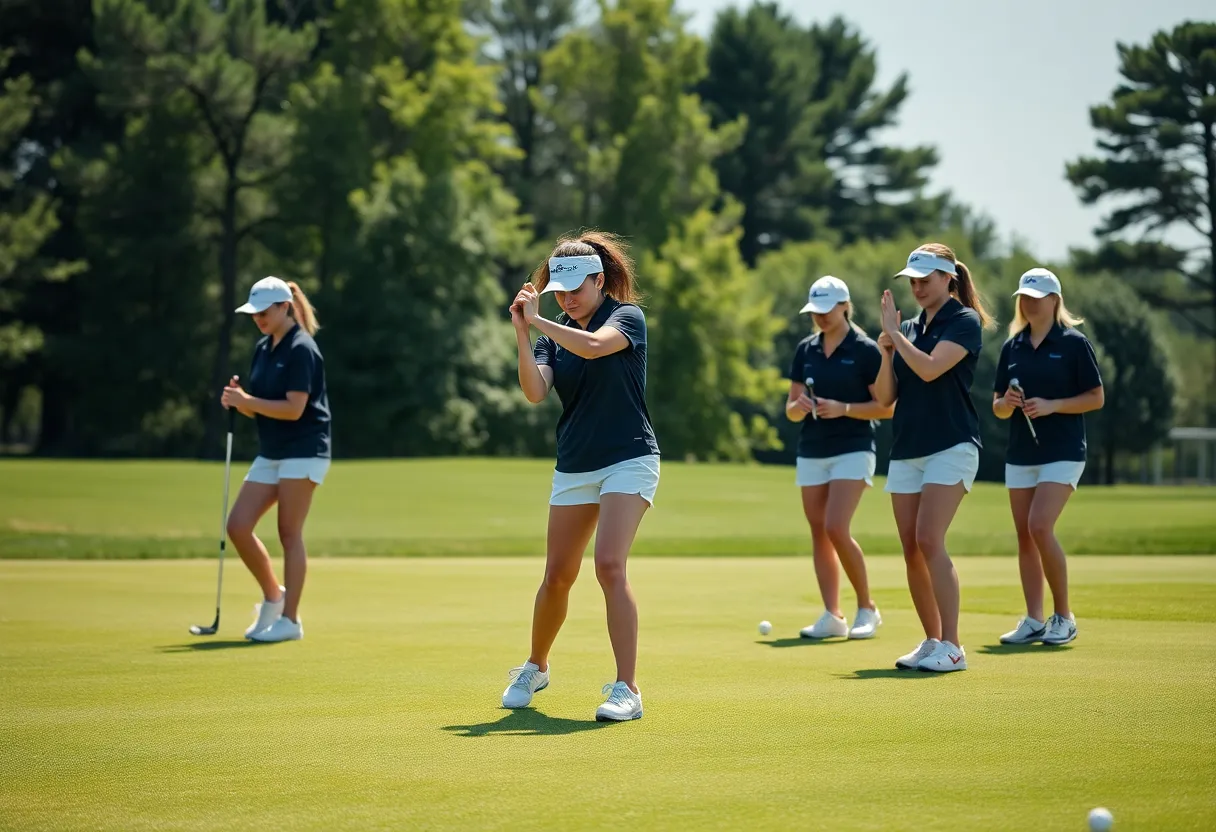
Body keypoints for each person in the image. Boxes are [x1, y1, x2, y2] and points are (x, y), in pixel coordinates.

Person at [501, 231, 660, 722]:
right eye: (560, 292)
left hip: (629, 457)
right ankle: (536, 665)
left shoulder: (624, 317)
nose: (569, 298)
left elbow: (594, 348)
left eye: (576, 288)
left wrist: (541, 320)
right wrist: (523, 334)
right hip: (575, 462)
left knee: (609, 566)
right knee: (557, 575)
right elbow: (534, 391)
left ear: (598, 280)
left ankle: (627, 690)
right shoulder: (555, 335)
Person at [875, 244, 994, 672]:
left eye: (926, 280)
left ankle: (954, 646)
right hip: (907, 447)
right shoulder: (906, 327)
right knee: (911, 548)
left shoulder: (963, 321)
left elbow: (929, 369)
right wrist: (886, 350)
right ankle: (932, 639)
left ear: (948, 279)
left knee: (929, 539)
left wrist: (898, 334)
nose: (918, 287)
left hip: (952, 444)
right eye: (913, 280)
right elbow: (885, 398)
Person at [993, 268, 1104, 646]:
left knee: (1040, 526)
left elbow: (1095, 397)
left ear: (1054, 300)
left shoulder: (1074, 343)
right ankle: (1034, 620)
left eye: (1036, 297)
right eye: (1024, 296)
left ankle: (1064, 616)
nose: (1028, 303)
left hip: (1063, 450)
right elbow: (997, 405)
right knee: (1025, 536)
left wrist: (1054, 405)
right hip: (1021, 453)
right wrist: (1006, 403)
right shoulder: (1012, 346)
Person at [220, 276, 331, 643]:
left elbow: (294, 409)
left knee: (288, 531)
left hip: (305, 448)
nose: (258, 319)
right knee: (237, 525)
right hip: (272, 450)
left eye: (264, 312)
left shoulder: (302, 348)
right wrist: (240, 399)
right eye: (253, 313)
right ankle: (273, 595)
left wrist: (247, 402)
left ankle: (290, 620)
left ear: (284, 307)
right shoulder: (263, 347)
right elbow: (265, 409)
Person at [785, 276, 893, 640]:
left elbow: (886, 407)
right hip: (813, 449)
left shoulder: (865, 349)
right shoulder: (806, 349)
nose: (820, 317)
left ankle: (868, 608)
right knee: (819, 532)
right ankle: (833, 614)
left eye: (826, 310)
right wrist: (799, 408)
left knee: (835, 527)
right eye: (815, 311)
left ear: (844, 306)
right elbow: (791, 408)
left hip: (853, 446)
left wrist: (844, 408)